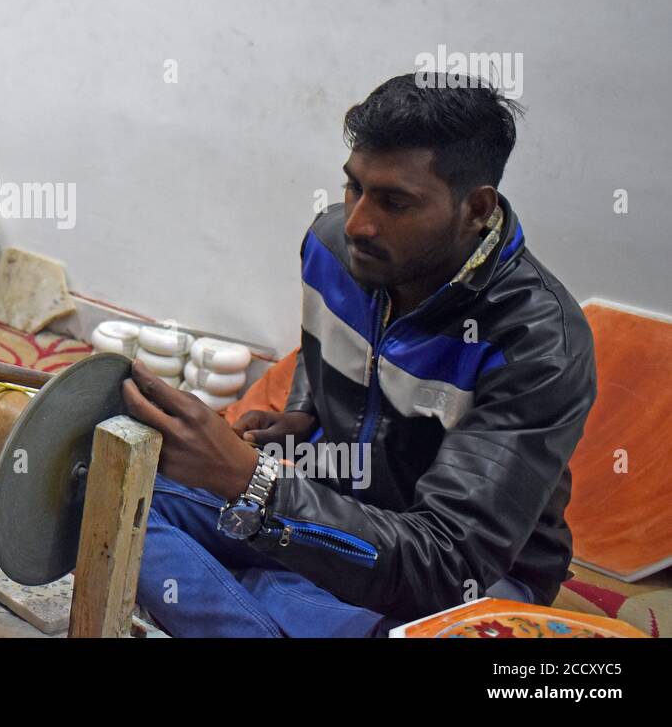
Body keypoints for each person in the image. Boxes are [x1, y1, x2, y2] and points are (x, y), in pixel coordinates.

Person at [123, 74, 597, 637]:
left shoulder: (538, 341)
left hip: (467, 574)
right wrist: (305, 411)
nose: (358, 222)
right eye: (354, 187)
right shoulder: (333, 247)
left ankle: (268, 601)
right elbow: (325, 342)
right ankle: (281, 605)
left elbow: (447, 563)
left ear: (476, 208)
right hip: (337, 508)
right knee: (110, 494)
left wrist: (251, 481)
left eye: (395, 201)